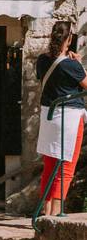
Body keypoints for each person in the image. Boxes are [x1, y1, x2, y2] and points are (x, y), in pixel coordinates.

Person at [36, 21, 87, 216]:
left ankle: (44, 211)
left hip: (48, 116)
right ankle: (57, 213)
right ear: (69, 39)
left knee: (49, 165)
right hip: (69, 119)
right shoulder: (71, 65)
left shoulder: (42, 60)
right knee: (66, 166)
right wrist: (78, 62)